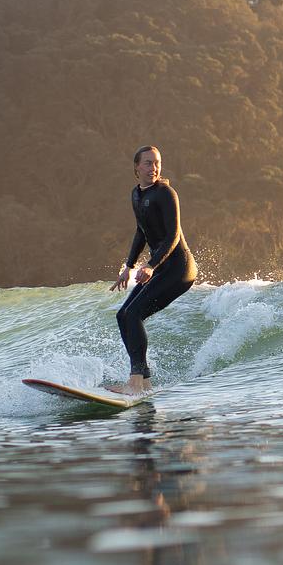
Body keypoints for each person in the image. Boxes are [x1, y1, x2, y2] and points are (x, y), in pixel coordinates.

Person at [108, 146, 198, 395]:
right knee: (123, 315)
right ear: (136, 167)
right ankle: (145, 382)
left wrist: (150, 265)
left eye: (156, 163)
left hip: (179, 269)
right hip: (161, 268)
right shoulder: (136, 195)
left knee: (134, 314)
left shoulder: (166, 194)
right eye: (147, 163)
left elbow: (172, 235)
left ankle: (135, 382)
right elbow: (141, 232)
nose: (153, 168)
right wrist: (129, 267)